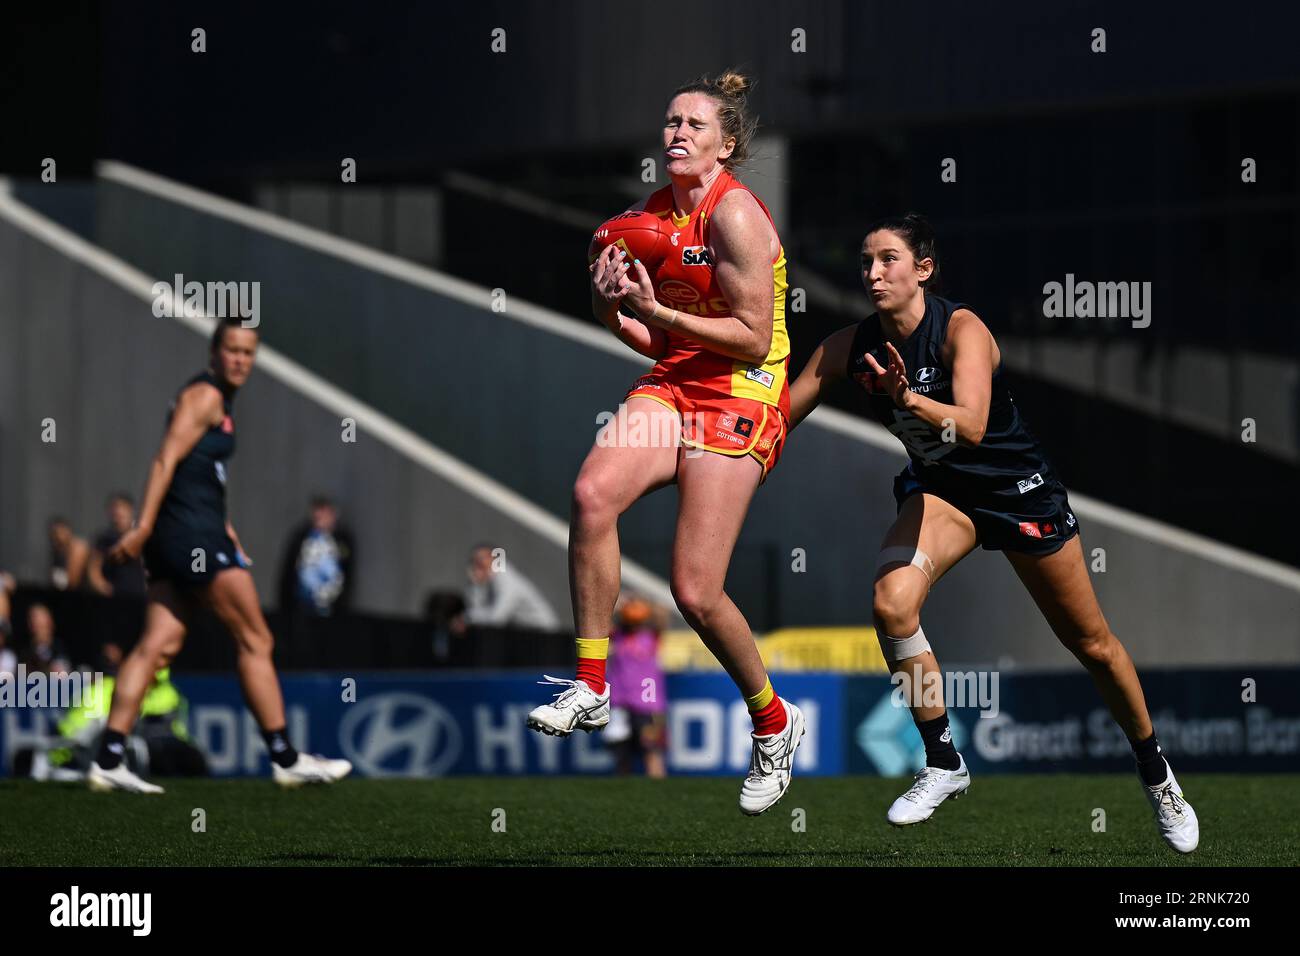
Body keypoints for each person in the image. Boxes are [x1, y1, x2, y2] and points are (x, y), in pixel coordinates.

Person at [787, 213, 1199, 853]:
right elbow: (779, 415)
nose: (873, 272)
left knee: (1091, 644)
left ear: (923, 268)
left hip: (1017, 492)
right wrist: (720, 452)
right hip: (945, 496)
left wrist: (908, 398)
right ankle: (944, 760)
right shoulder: (848, 345)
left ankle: (1156, 772)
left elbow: (972, 426)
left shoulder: (962, 329)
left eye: (889, 259)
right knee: (891, 606)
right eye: (866, 261)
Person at [525, 71, 804, 815]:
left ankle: (774, 724)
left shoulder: (736, 216)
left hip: (743, 389)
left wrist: (660, 315)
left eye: (694, 124)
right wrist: (610, 300)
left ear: (727, 143)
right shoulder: (651, 215)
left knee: (695, 591)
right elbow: (645, 333)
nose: (677, 133)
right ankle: (590, 684)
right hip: (679, 376)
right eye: (671, 122)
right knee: (591, 495)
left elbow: (751, 341)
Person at [94, 316, 351, 793]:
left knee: (158, 646)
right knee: (256, 640)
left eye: (249, 352)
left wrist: (225, 528)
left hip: (185, 536)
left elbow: (199, 474)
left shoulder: (217, 400)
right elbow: (164, 460)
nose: (240, 360)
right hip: (188, 536)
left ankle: (108, 759)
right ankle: (285, 757)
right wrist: (142, 527)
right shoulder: (206, 396)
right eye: (232, 350)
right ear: (213, 353)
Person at [604, 597, 668, 778]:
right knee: (621, 753)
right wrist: (619, 604)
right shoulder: (617, 636)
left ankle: (659, 794)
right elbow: (601, 621)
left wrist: (641, 602)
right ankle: (624, 794)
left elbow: (663, 614)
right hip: (620, 704)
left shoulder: (651, 637)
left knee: (652, 750)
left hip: (647, 705)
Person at [277, 495, 355, 618]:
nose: (320, 519)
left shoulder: (342, 539)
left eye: (324, 515)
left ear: (333, 515)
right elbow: (289, 570)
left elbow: (346, 572)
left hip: (332, 607)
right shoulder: (301, 537)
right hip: (302, 605)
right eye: (317, 516)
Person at [463, 543, 560, 631]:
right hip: (527, 636)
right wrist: (475, 585)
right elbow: (478, 608)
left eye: (480, 561)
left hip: (545, 637)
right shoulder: (492, 581)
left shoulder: (506, 580)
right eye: (474, 562)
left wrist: (466, 617)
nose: (476, 567)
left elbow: (496, 618)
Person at [88, 493, 148, 599]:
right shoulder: (104, 539)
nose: (119, 512)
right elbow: (94, 568)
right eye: (115, 508)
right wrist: (103, 588)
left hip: (140, 597)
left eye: (122, 507)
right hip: (115, 598)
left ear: (131, 510)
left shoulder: (141, 536)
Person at [47, 517, 90, 590]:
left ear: (67, 531)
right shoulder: (58, 550)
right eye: (53, 534)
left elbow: (73, 581)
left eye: (59, 533)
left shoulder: (78, 548)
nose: (57, 538)